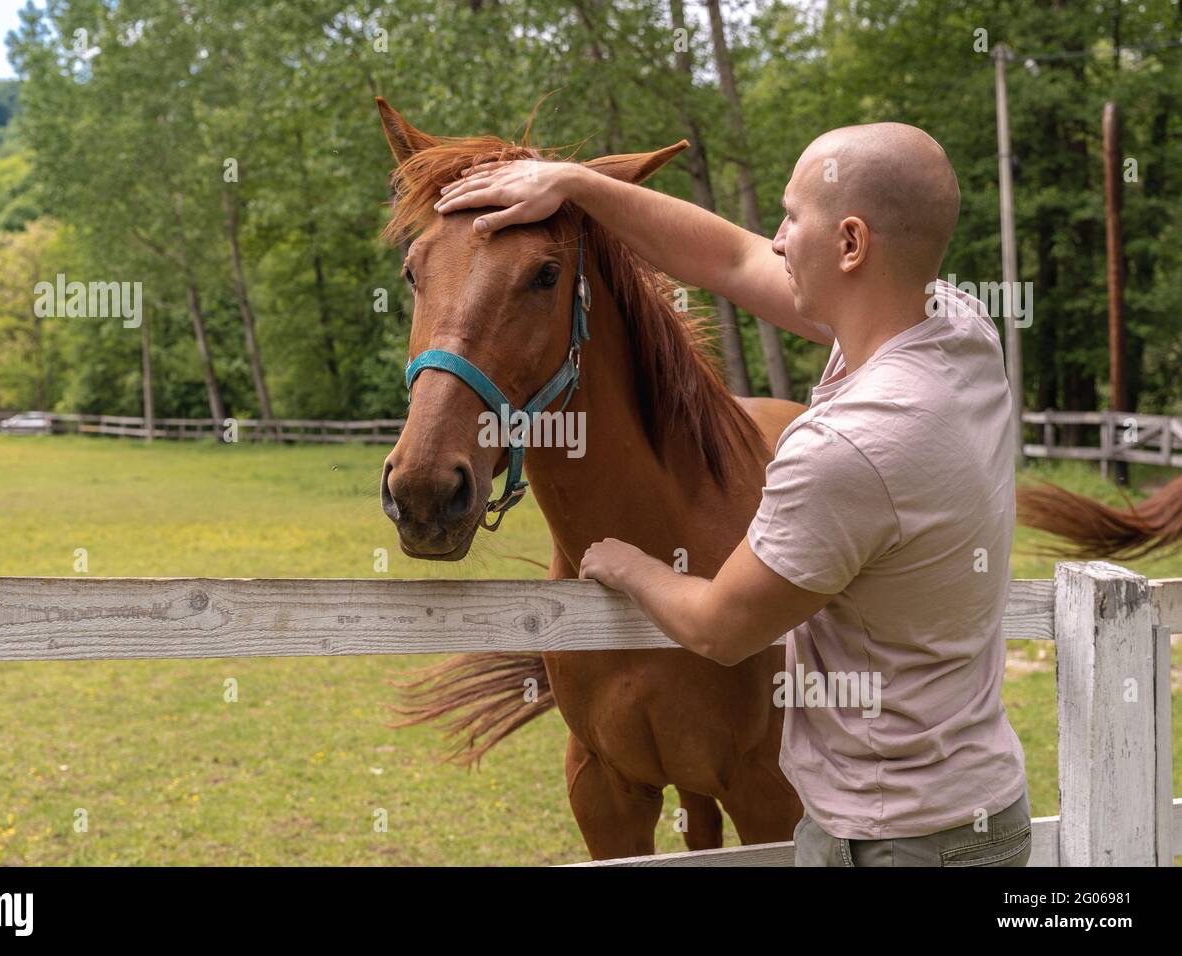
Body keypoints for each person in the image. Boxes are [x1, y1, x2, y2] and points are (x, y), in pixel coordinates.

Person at [433, 123, 1030, 867]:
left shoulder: (844, 446)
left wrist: (623, 564)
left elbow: (721, 628)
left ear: (850, 244)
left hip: (889, 840)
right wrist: (577, 185)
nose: (775, 240)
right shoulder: (960, 328)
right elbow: (731, 256)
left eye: (790, 217)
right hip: (988, 809)